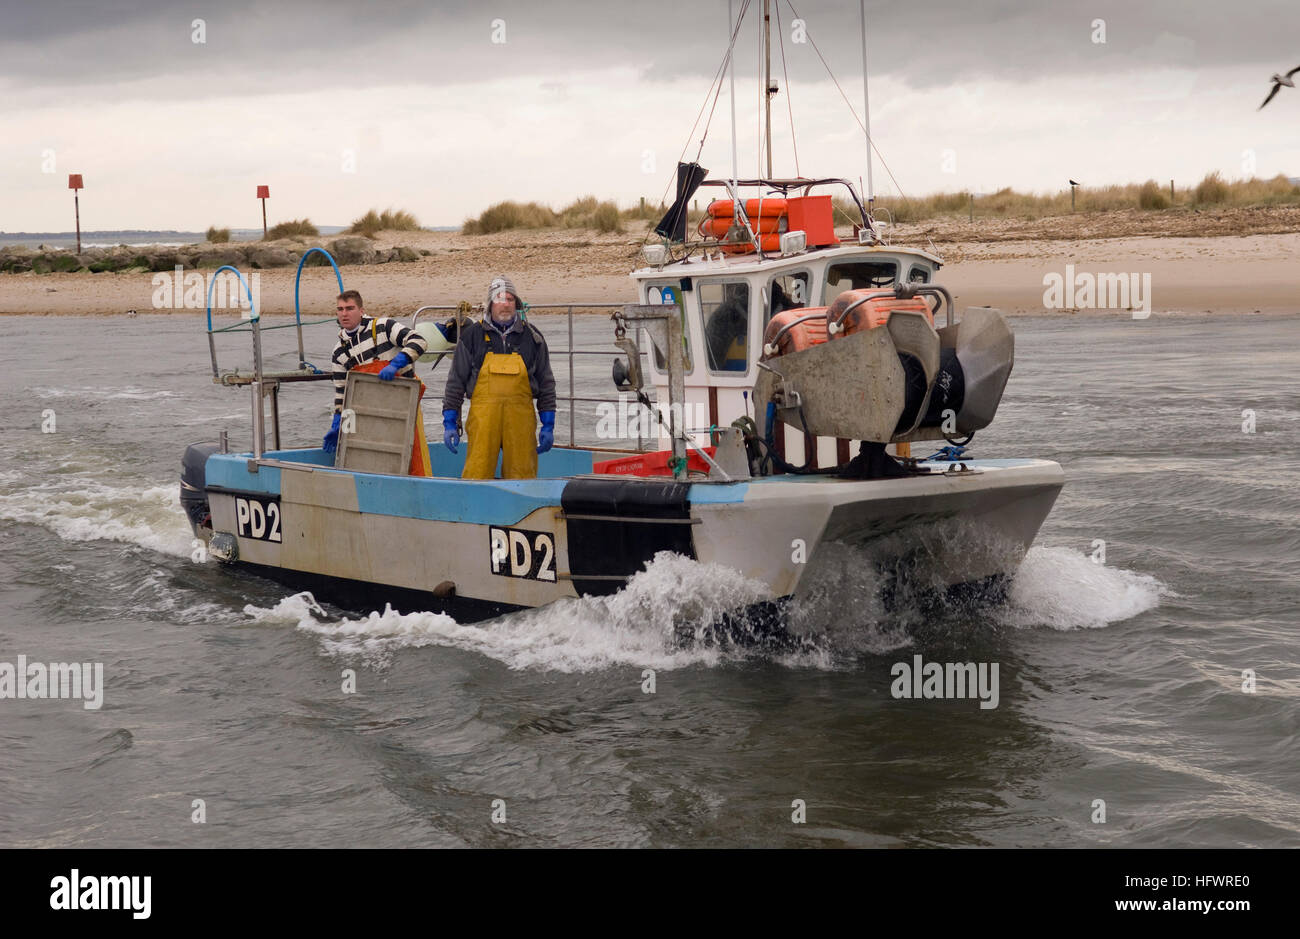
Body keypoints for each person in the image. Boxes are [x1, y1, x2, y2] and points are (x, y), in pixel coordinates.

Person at [442, 276, 556, 479]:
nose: (506, 305)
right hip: (483, 418)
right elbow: (456, 382)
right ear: (490, 304)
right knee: (477, 472)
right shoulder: (472, 336)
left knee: (523, 476)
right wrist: (451, 421)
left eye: (510, 299)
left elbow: (546, 383)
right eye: (500, 299)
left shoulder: (533, 337)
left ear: (517, 304)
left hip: (521, 419)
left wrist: (548, 424)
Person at [323, 290, 430, 474]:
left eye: (350, 308)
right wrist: (339, 425)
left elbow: (419, 341)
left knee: (414, 460)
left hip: (404, 409)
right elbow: (343, 394)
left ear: (361, 310)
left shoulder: (383, 326)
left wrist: (397, 364)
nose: (344, 313)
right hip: (367, 416)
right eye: (340, 309)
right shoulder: (339, 352)